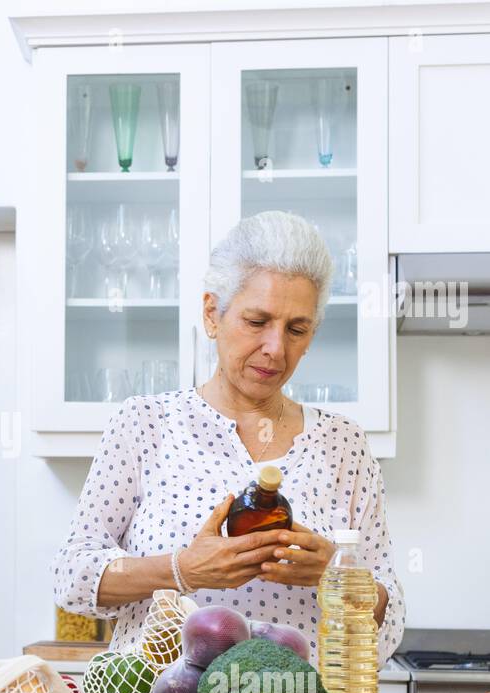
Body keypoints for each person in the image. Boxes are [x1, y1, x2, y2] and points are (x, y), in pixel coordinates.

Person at [51, 211, 405, 666]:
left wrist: (337, 576)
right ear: (212, 314)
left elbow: (389, 621)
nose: (276, 348)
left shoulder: (344, 444)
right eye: (257, 321)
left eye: (296, 329)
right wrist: (182, 569)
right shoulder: (144, 424)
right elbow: (71, 578)